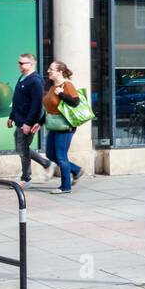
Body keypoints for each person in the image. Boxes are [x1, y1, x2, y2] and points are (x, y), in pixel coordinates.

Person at [6, 53, 51, 187]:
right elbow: (18, 100)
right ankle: (46, 164)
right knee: (21, 148)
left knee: (22, 149)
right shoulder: (23, 78)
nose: (19, 65)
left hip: (27, 122)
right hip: (19, 120)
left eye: (22, 63)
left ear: (31, 64)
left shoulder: (35, 81)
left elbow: (37, 104)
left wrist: (28, 123)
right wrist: (11, 116)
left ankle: (26, 179)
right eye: (19, 62)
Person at [42, 61, 84, 195]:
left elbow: (75, 102)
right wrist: (39, 122)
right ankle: (76, 170)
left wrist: (61, 94)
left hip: (65, 126)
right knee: (50, 154)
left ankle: (65, 186)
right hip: (53, 125)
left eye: (51, 69)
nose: (48, 71)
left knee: (61, 156)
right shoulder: (51, 87)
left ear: (60, 71)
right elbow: (49, 109)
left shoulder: (67, 85)